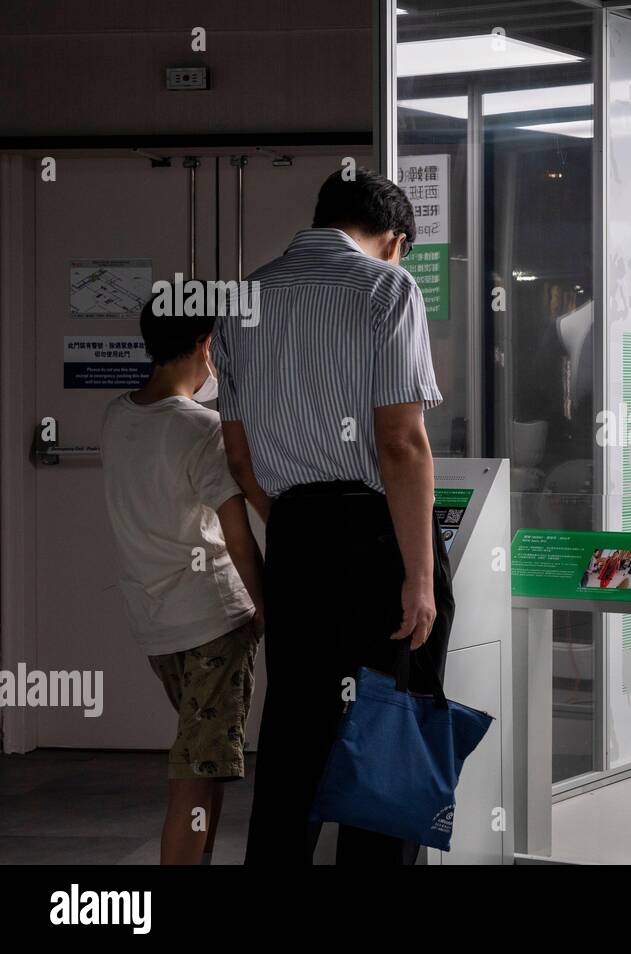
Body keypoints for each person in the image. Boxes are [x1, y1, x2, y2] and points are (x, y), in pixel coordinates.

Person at [211, 167, 453, 865]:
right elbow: (401, 444)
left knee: (296, 731)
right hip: (375, 537)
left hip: (294, 535)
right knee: (389, 726)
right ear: (395, 240)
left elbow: (238, 455)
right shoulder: (387, 286)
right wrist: (417, 575)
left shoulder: (243, 298)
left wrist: (293, 516)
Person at [100, 296, 265, 865]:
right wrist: (266, 605)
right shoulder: (202, 429)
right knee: (196, 773)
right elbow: (238, 537)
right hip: (213, 621)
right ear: (205, 346)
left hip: (155, 625)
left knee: (207, 762)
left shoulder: (117, 415)